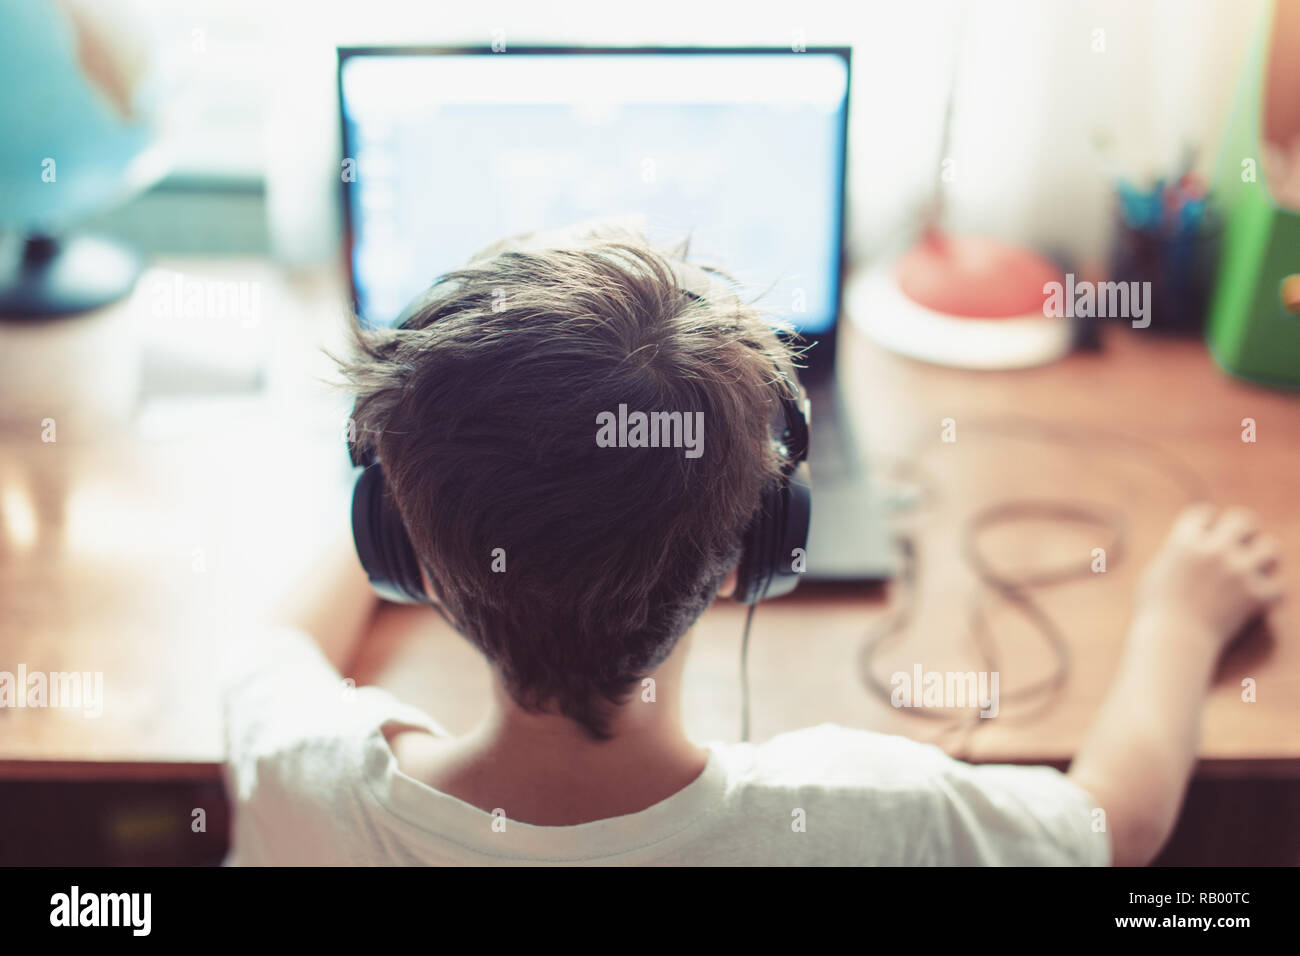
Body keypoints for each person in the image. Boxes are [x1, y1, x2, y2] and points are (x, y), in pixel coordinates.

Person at [222, 227, 1285, 866]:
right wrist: (1180, 621)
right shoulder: (863, 816)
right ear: (760, 548)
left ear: (398, 554)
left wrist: (430, 491)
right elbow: (1116, 826)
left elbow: (273, 643)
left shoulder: (302, 772)